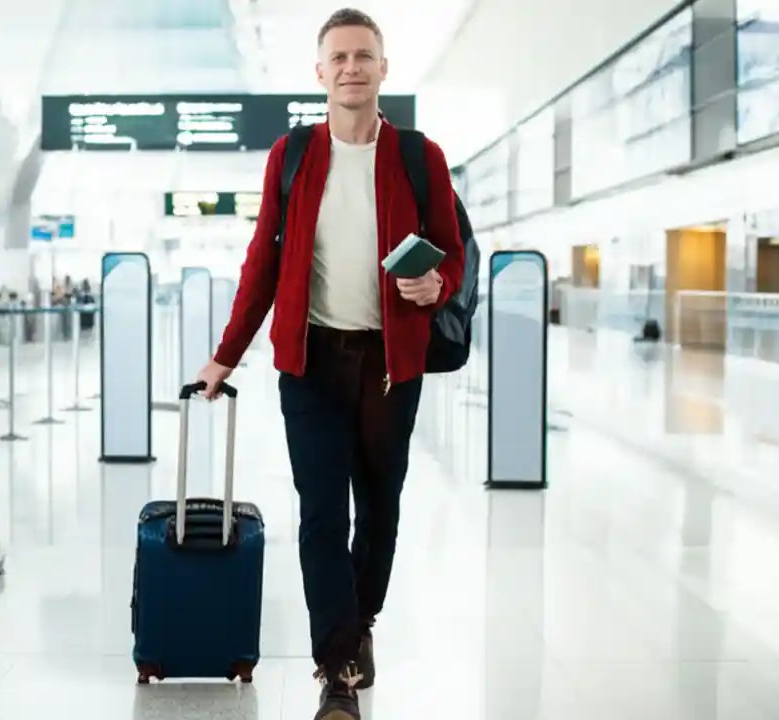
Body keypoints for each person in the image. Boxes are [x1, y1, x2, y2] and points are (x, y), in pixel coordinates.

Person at [194, 8, 464, 719]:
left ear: (383, 69)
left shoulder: (418, 157)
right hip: (311, 362)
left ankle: (360, 620)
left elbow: (454, 248)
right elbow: (263, 263)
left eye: (363, 56)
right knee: (321, 514)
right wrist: (226, 355)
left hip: (388, 366)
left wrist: (438, 285)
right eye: (338, 57)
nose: (351, 67)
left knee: (380, 507)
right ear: (320, 73)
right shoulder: (292, 156)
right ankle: (336, 668)